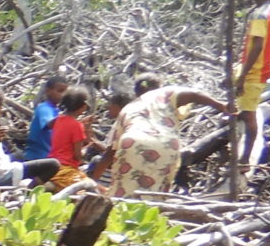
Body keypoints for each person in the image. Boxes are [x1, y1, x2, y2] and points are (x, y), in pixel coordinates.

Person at [88, 74, 228, 195]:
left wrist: (93, 181)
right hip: (167, 143)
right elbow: (195, 94)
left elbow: (110, 153)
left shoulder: (129, 108)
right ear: (159, 86)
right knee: (156, 190)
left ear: (136, 92)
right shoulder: (165, 94)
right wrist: (221, 105)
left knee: (124, 190)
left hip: (133, 141)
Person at [233, 0, 270, 167]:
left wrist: (243, 76)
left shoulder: (260, 14)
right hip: (266, 65)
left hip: (255, 70)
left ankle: (245, 158)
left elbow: (257, 46)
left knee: (249, 114)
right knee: (244, 110)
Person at [23, 76, 68, 162]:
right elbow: (49, 124)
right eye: (60, 91)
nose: (63, 95)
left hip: (49, 155)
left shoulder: (56, 110)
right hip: (37, 157)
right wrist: (67, 117)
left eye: (65, 92)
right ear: (48, 91)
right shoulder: (44, 108)